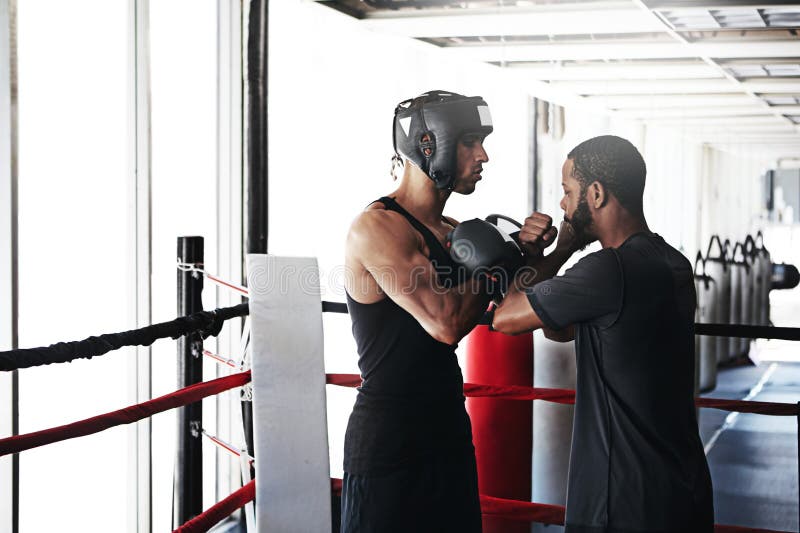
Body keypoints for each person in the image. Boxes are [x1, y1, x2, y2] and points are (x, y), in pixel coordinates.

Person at [492, 135, 714, 532]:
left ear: (595, 193)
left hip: (621, 501)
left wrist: (555, 253)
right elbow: (562, 330)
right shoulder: (672, 263)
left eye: (567, 191)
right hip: (682, 488)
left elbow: (506, 317)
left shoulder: (607, 270)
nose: (562, 204)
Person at [340, 90, 499, 532]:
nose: (483, 155)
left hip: (447, 428)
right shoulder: (377, 227)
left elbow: (517, 304)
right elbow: (445, 322)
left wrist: (558, 245)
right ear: (431, 144)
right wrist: (504, 261)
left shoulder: (453, 231)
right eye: (469, 141)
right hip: (392, 439)